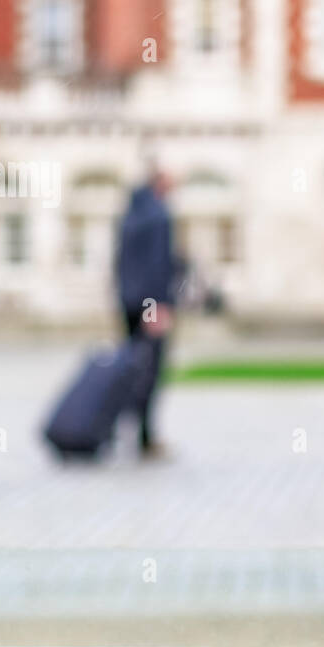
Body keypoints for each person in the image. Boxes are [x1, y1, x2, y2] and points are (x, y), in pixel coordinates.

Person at [115, 168, 177, 458]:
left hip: (127, 303)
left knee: (133, 365)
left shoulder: (129, 216)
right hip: (150, 305)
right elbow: (157, 265)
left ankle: (125, 427)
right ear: (160, 184)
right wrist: (157, 308)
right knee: (150, 370)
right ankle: (144, 436)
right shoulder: (159, 216)